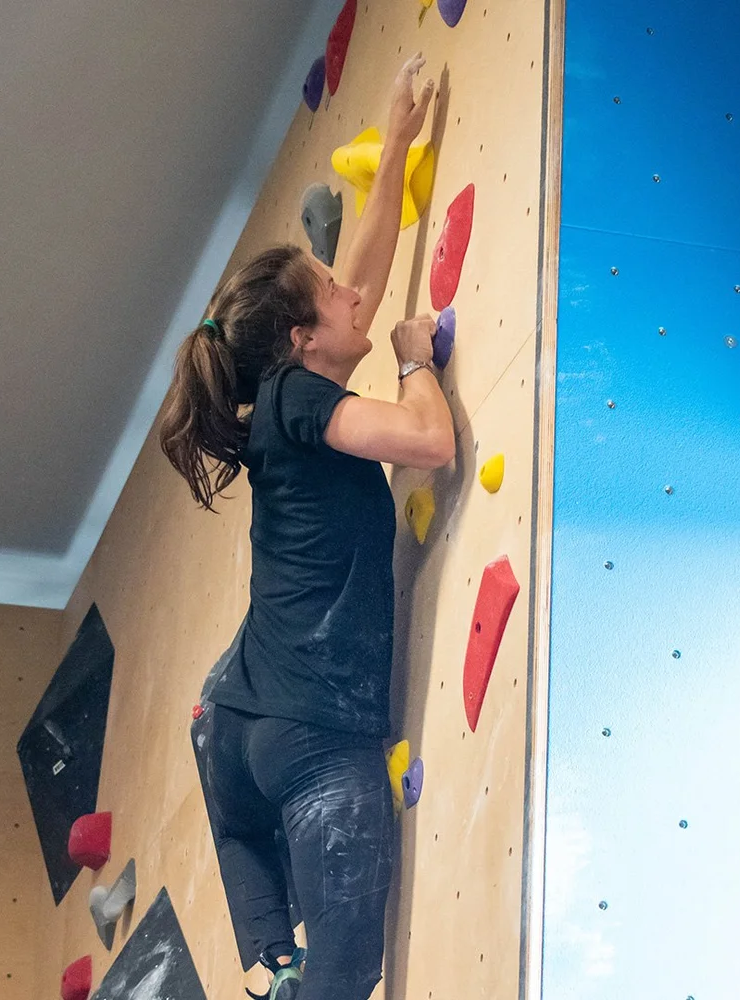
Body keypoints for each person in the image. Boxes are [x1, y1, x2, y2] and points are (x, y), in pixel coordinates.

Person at [159, 53, 455, 1000]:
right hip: (307, 732)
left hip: (237, 721)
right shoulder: (295, 401)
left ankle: (268, 952)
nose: (352, 294)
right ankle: (293, 973)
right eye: (329, 289)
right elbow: (425, 443)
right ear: (300, 340)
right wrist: (416, 361)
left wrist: (400, 131)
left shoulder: (286, 395)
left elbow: (359, 277)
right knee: (348, 971)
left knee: (243, 811)